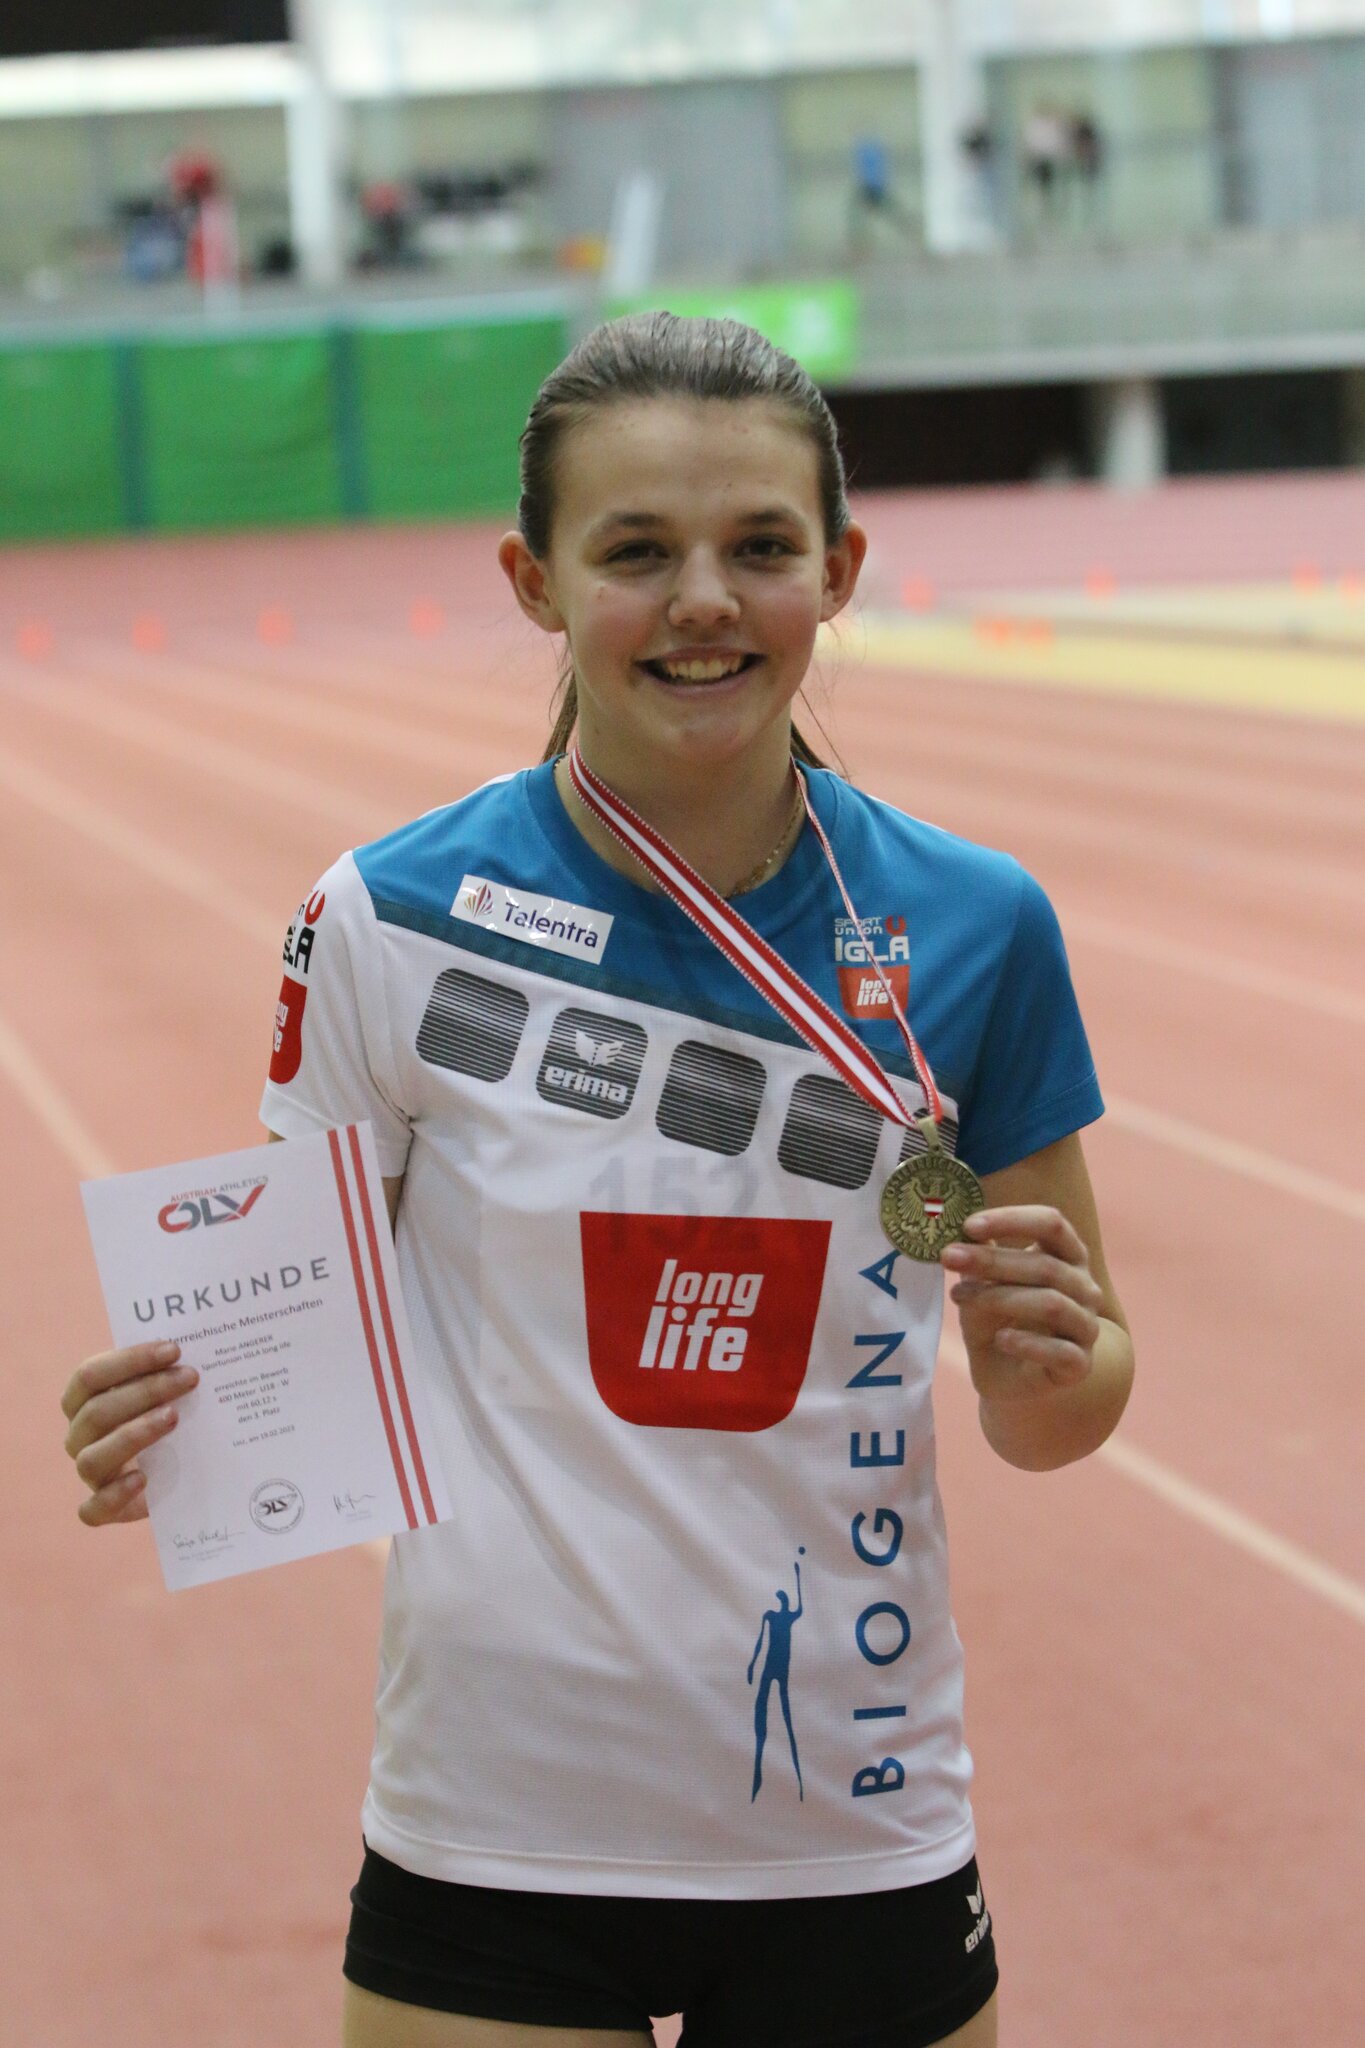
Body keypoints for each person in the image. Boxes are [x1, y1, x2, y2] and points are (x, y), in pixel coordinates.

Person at [62, 311, 1134, 2048]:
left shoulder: (977, 927)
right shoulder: (385, 923)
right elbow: (300, 1355)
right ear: (533, 580)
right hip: (496, 1821)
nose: (703, 598)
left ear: (838, 570)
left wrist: (1049, 1363)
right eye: (635, 551)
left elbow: (1066, 1410)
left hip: (851, 1823)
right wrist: (184, 1424)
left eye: (759, 548)